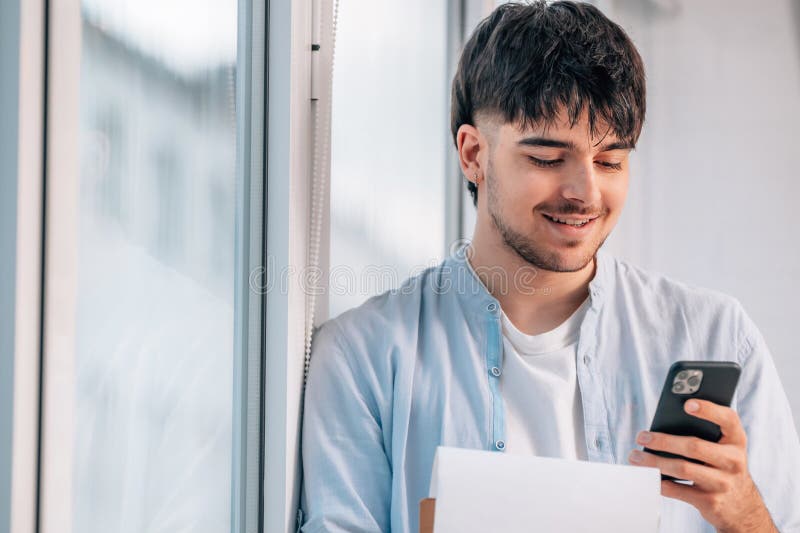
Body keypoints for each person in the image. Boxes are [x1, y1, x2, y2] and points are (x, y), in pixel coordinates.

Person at [298, 2, 800, 532]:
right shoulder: (364, 359)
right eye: (546, 158)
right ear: (473, 154)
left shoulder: (718, 338)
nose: (586, 193)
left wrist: (744, 514)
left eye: (610, 161)